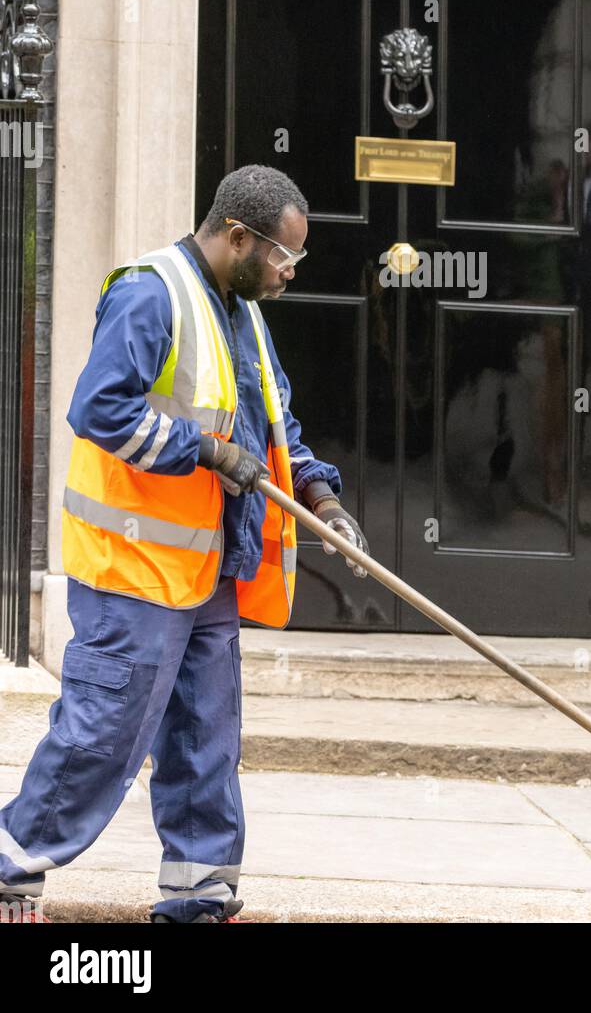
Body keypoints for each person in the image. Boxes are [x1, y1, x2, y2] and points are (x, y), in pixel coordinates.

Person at [0, 164, 370, 924]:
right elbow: (98, 409)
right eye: (283, 257)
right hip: (136, 569)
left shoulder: (245, 312)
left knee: (206, 738)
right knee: (104, 736)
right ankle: (11, 867)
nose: (290, 274)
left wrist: (321, 497)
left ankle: (201, 896)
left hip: (210, 571)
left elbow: (275, 425)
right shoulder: (149, 293)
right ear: (238, 236)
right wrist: (201, 450)